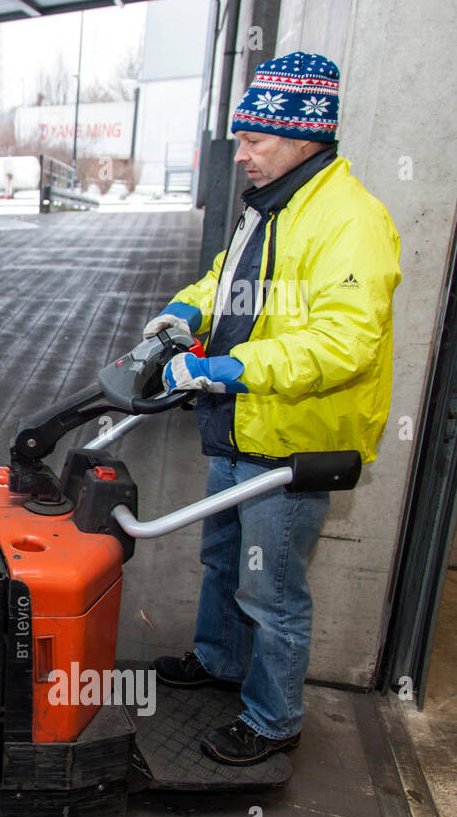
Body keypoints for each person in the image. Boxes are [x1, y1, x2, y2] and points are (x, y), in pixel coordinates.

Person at [145, 52, 401, 766]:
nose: (243, 153)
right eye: (241, 137)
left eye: (255, 139)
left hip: (292, 440)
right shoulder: (272, 207)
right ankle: (221, 661)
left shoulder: (350, 220)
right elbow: (226, 284)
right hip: (240, 426)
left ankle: (273, 718)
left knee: (271, 588)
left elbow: (344, 342)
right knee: (223, 558)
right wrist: (180, 311)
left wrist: (232, 367)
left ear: (303, 135)